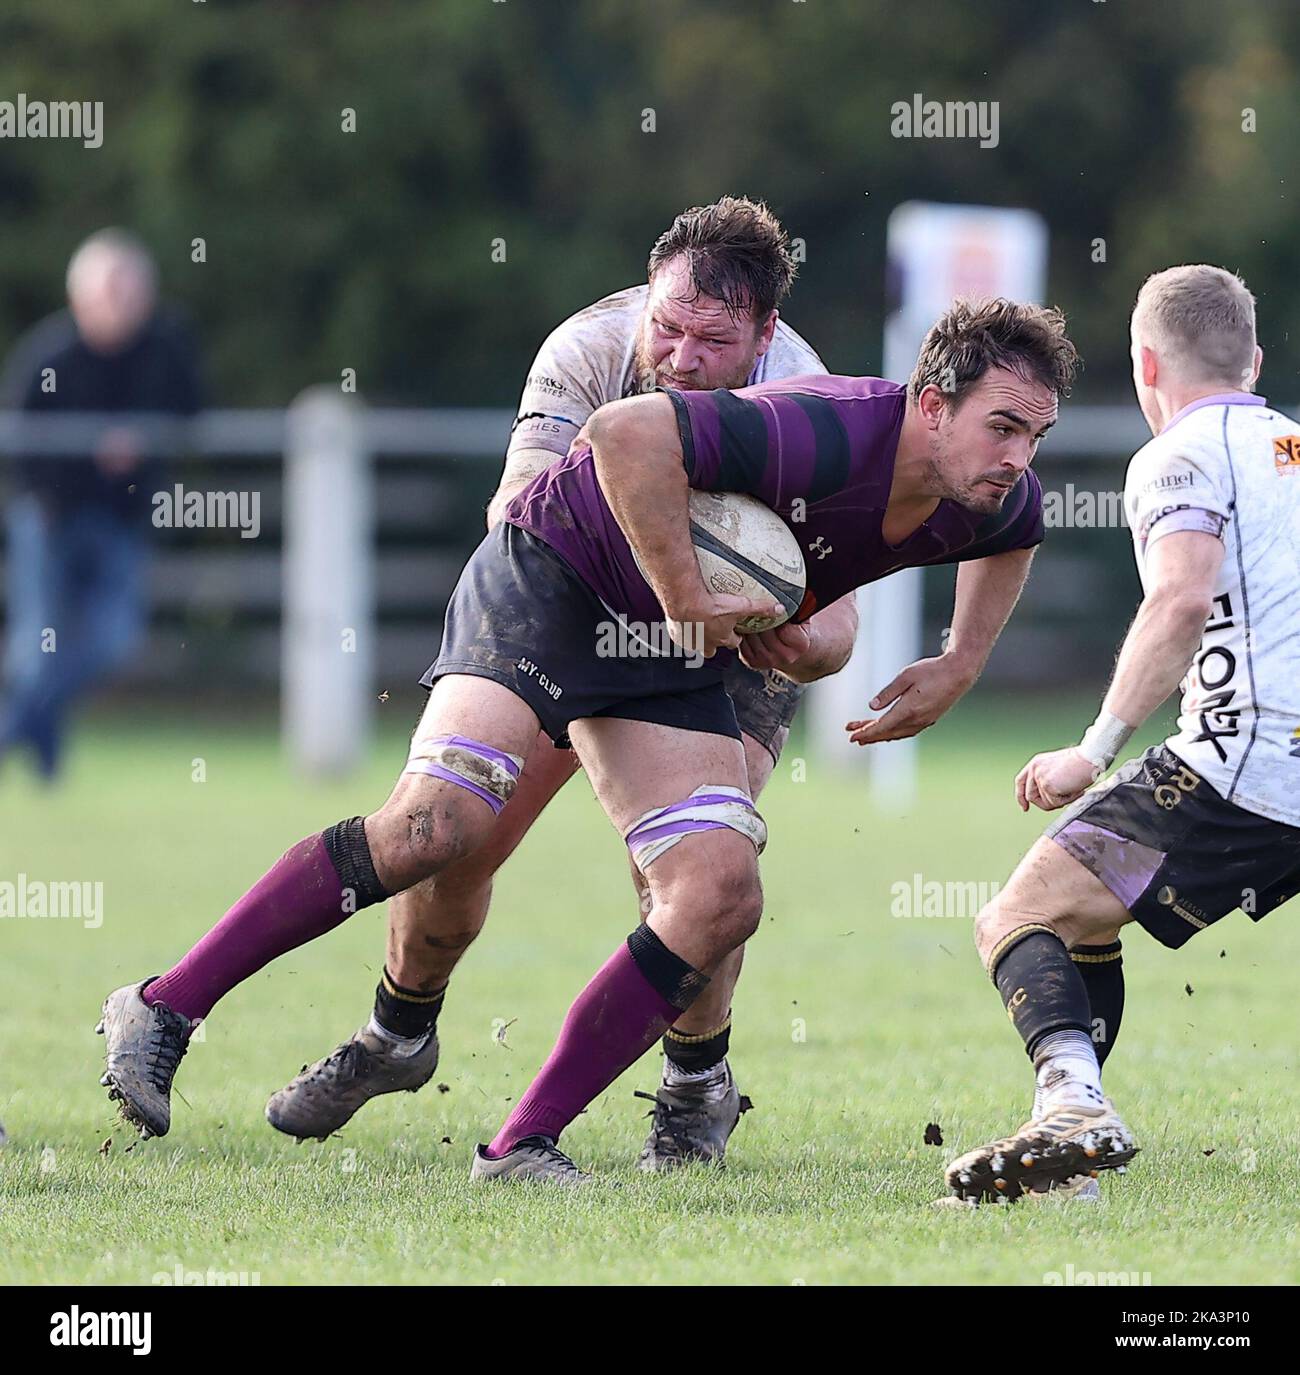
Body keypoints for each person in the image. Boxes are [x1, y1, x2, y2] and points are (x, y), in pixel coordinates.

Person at [97, 299, 1075, 1189]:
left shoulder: (990, 491)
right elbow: (624, 429)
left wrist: (959, 664)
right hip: (552, 576)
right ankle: (164, 1006)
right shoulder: (819, 425)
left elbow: (1014, 534)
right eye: (1002, 427)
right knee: (439, 828)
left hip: (666, 644)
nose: (1018, 457)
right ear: (932, 404)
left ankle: (521, 1143)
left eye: (1035, 434)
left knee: (719, 891)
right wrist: (691, 596)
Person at [266, 196, 857, 1172]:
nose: (679, 353)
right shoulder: (585, 348)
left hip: (721, 642)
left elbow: (834, 623)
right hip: (577, 603)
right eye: (665, 325)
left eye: (712, 339)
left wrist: (788, 635)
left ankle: (694, 1082)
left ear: (763, 335)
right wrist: (657, 569)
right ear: (645, 299)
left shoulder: (806, 403)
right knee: (455, 835)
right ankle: (397, 1032)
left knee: (699, 876)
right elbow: (518, 509)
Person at [944, 265, 1300, 1205]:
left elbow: (1182, 597)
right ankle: (1073, 1164)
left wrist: (1093, 747)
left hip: (1246, 762)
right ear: (1255, 358)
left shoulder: (1180, 452)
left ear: (1146, 363)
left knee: (1016, 915)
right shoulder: (1295, 445)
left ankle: (1071, 1107)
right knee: (1088, 917)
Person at [0, 229, 203, 779]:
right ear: (79, 296)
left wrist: (143, 439)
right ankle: (42, 756)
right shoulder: (48, 356)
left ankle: (13, 728)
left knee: (115, 641)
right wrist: (87, 462)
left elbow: (192, 413)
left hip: (120, 522)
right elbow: (19, 445)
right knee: (35, 648)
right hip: (48, 519)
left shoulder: (165, 350)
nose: (119, 302)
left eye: (129, 289)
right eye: (108, 290)